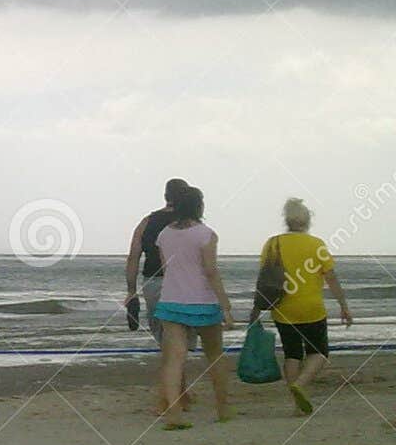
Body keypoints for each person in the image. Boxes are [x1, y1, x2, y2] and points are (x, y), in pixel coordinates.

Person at [247, 197, 352, 416]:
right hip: (311, 308)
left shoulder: (272, 243)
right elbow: (331, 278)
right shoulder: (316, 244)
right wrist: (343, 305)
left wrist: (255, 309)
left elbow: (264, 279)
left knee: (292, 354)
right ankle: (301, 384)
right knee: (319, 352)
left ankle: (296, 405)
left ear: (286, 219)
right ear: (307, 221)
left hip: (283, 309)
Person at [152, 186, 236, 429]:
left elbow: (166, 269)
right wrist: (225, 304)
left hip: (172, 300)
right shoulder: (206, 234)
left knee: (174, 360)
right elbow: (210, 271)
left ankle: (174, 414)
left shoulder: (164, 234)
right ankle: (223, 409)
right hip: (203, 301)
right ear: (199, 206)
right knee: (214, 356)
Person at [125, 178, 192, 413]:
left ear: (165, 195)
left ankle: (176, 392)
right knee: (180, 338)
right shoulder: (188, 223)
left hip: (153, 283)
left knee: (165, 339)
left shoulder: (147, 222)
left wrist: (131, 291)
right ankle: (178, 393)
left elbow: (133, 257)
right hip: (183, 284)